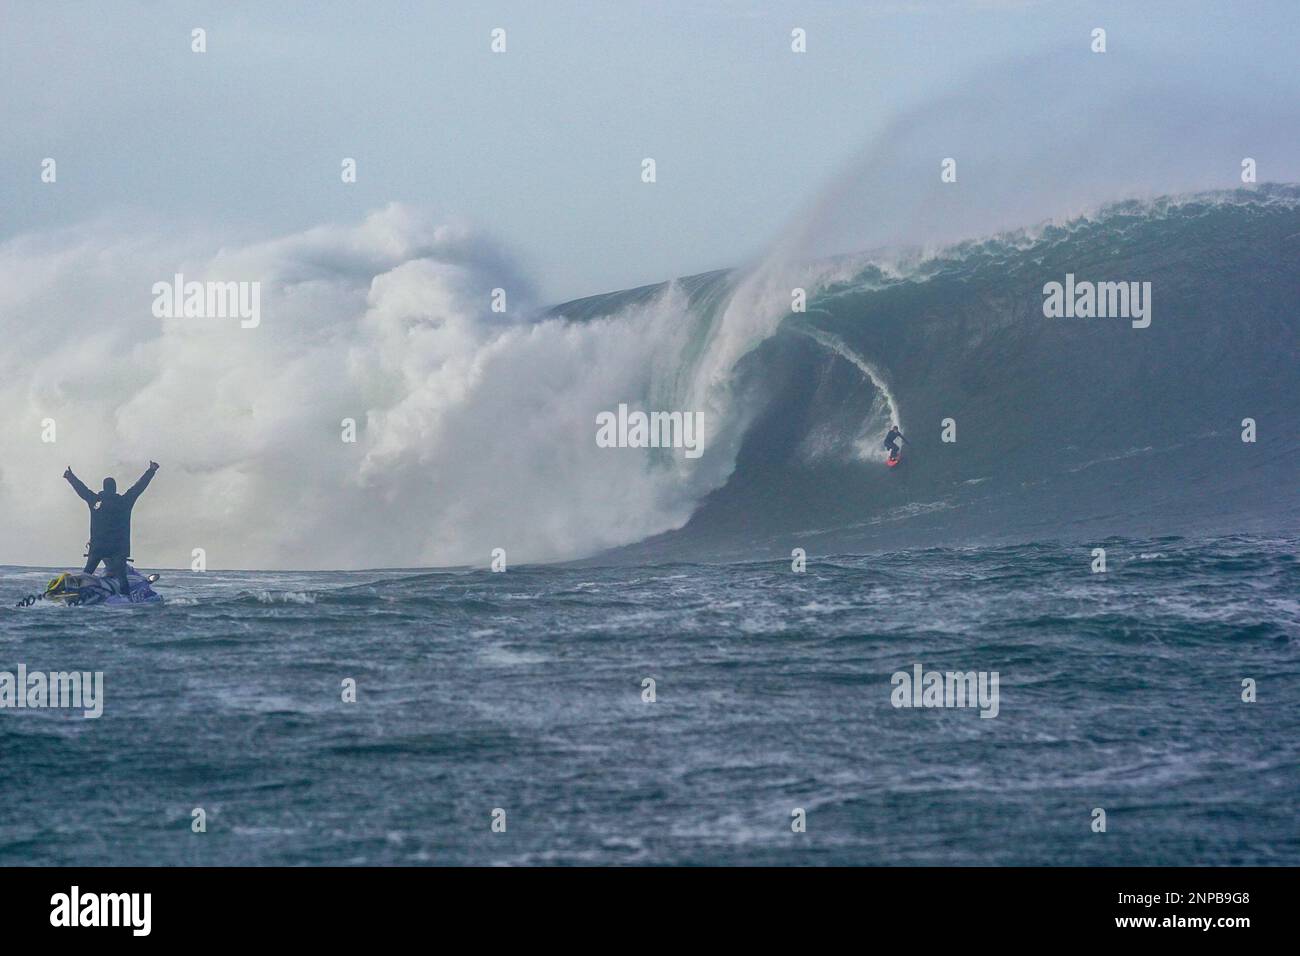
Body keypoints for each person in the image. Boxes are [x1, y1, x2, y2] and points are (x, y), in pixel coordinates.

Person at [64, 462, 159, 594]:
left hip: (98, 546)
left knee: (87, 574)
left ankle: (76, 595)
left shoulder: (95, 500)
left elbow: (82, 490)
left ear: (104, 488)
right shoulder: (125, 501)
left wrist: (70, 476)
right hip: (117, 548)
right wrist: (151, 470)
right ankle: (126, 598)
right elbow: (139, 487)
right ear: (115, 489)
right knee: (122, 577)